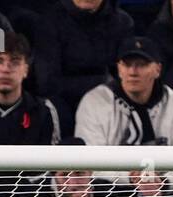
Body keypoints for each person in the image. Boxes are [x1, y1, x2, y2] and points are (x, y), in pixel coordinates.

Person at [34, 0, 136, 136]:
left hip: (109, 104)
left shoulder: (122, 22)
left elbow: (125, 78)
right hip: (64, 104)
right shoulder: (51, 21)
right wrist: (101, 82)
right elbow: (47, 82)